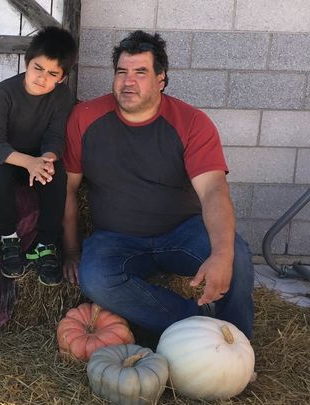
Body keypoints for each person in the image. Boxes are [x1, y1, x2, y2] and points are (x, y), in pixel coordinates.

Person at [62, 30, 254, 340]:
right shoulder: (85, 118)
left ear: (161, 79)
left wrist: (221, 253)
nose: (128, 82)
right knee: (95, 279)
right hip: (115, 237)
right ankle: (198, 326)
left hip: (182, 232)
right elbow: (67, 189)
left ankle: (237, 342)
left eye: (140, 72)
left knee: (238, 258)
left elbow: (213, 191)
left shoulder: (191, 122)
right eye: (121, 72)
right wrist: (71, 250)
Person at [0, 26, 76, 286]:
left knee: (57, 173)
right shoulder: (4, 92)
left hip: (35, 154)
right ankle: (8, 238)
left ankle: (45, 244)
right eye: (38, 68)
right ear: (27, 62)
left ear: (62, 78)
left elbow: (55, 136)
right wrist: (30, 163)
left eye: (52, 73)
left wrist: (46, 160)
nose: (42, 78)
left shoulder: (63, 96)